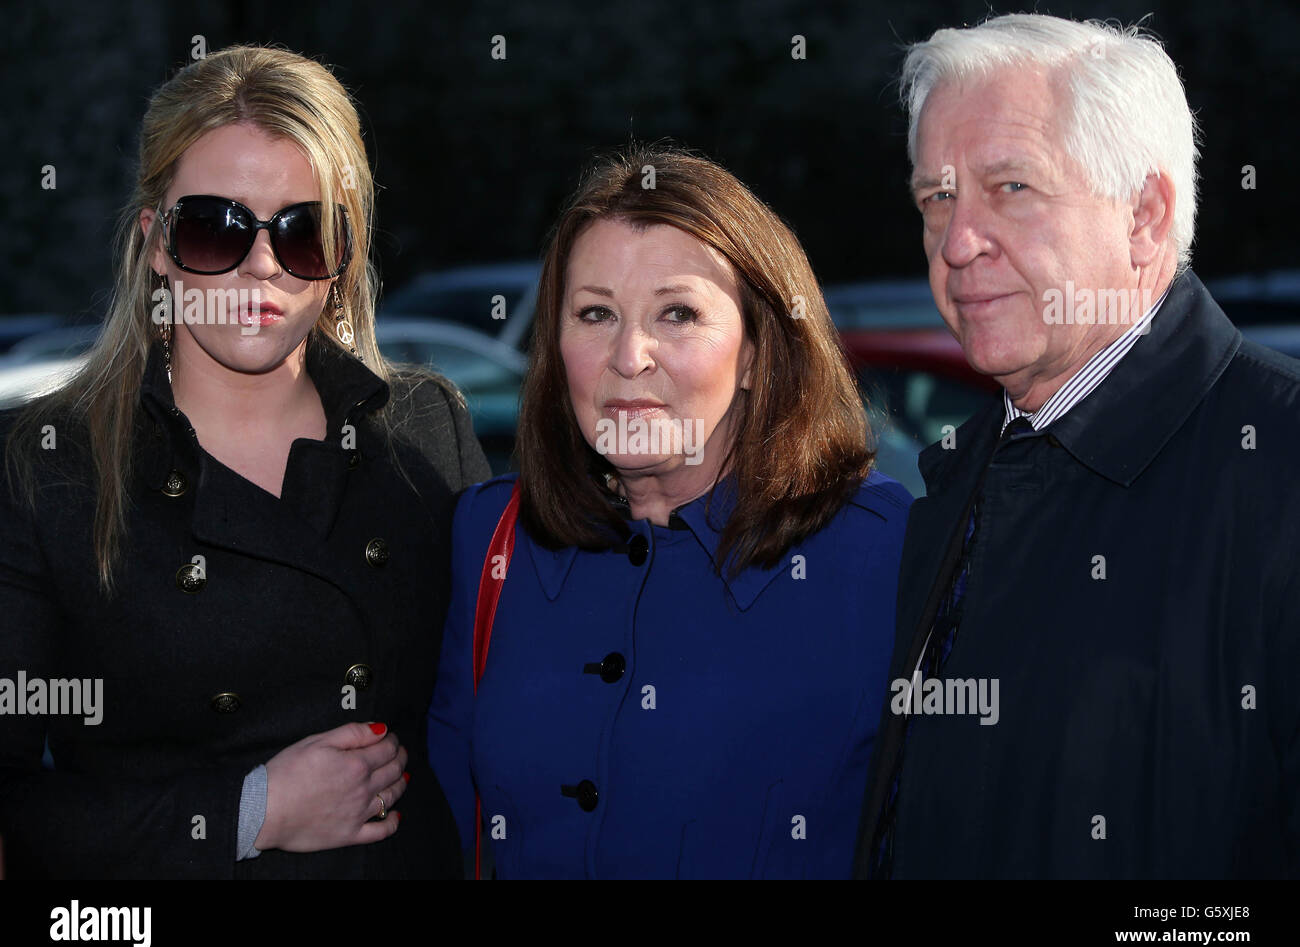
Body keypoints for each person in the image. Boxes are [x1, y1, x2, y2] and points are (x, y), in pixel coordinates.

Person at [0, 45, 490, 878]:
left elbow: (501, 704)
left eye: (302, 232)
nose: (260, 265)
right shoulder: (45, 467)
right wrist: (246, 812)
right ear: (156, 241)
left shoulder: (424, 430)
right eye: (214, 227)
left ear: (341, 259)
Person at [855, 13, 1300, 878]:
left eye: (1010, 188)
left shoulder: (1280, 470)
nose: (956, 242)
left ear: (1145, 213)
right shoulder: (954, 487)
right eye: (937, 197)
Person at [428, 146, 911, 878]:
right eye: (595, 313)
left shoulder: (880, 548)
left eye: (677, 313)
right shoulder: (486, 537)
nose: (630, 355)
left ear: (755, 350)